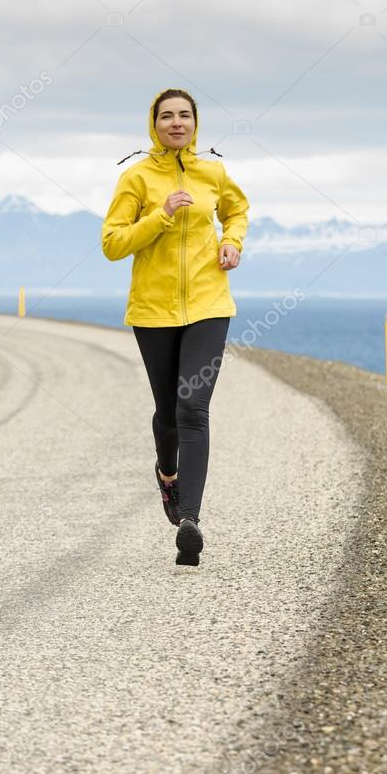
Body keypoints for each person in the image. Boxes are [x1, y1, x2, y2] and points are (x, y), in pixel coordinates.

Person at [101, 87, 249, 566]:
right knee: (167, 412)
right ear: (154, 123)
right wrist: (160, 217)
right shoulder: (137, 178)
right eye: (167, 116)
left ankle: (190, 519)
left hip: (209, 304)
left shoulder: (214, 172)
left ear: (196, 123)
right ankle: (168, 473)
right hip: (153, 310)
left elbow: (237, 211)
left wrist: (233, 243)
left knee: (192, 405)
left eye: (185, 115)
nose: (177, 123)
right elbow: (112, 243)